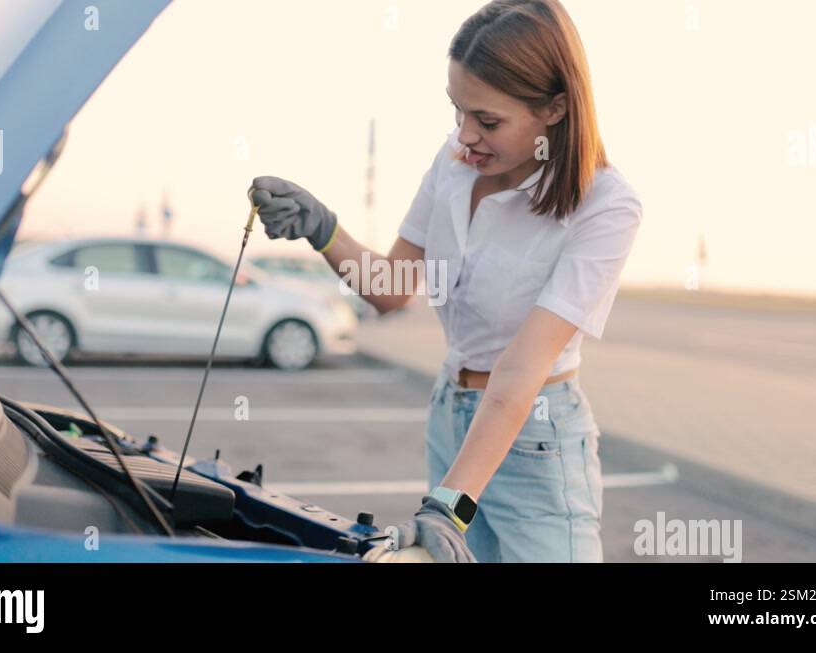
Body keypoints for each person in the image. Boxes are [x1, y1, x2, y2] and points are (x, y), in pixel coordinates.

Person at [249, 0, 642, 563]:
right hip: (452, 414)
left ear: (555, 109)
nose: (466, 135)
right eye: (458, 111)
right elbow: (391, 288)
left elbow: (521, 367)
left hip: (535, 438)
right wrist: (323, 228)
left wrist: (448, 505)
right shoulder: (456, 162)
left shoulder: (606, 205)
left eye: (488, 120)